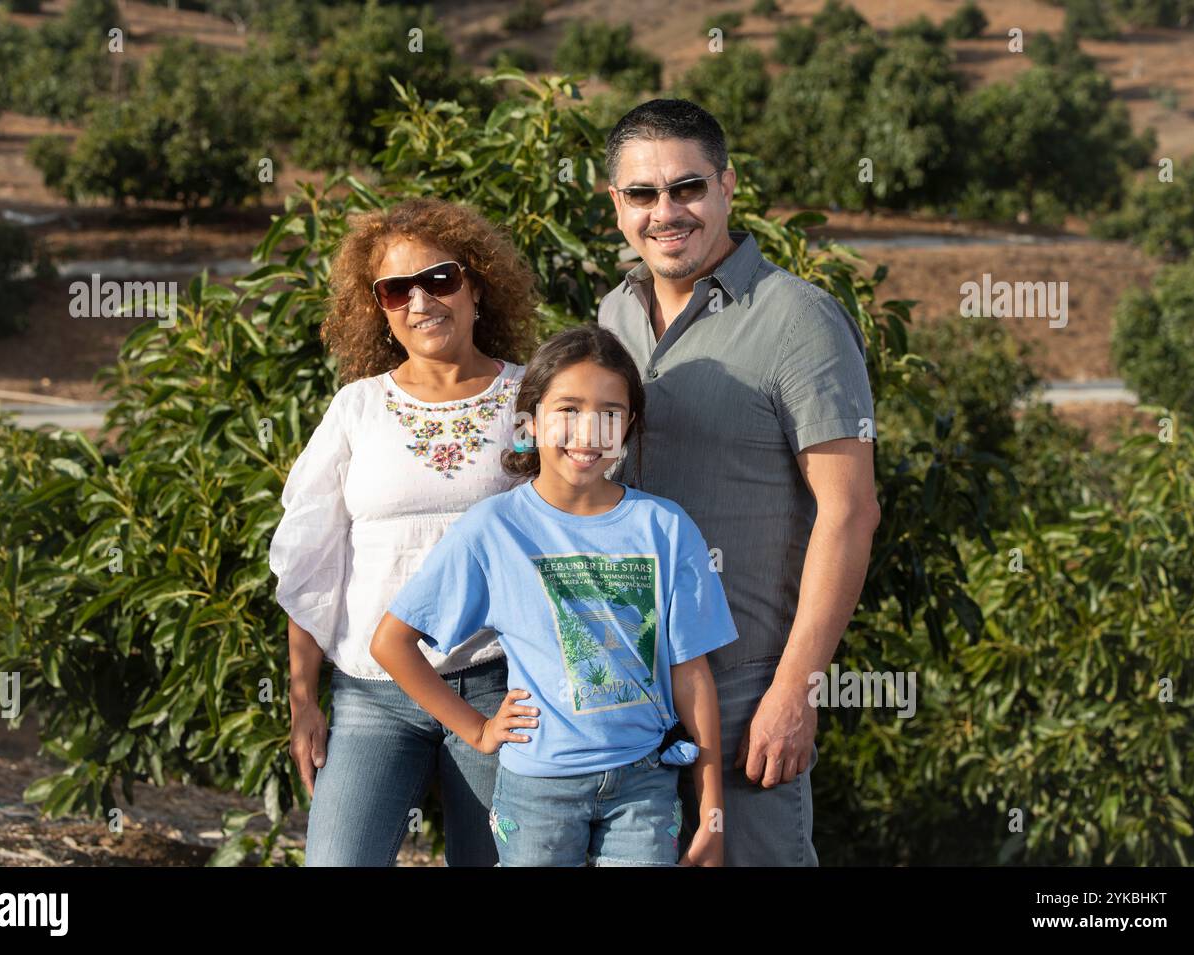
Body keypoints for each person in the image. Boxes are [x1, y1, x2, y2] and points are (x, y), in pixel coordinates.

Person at [598, 99, 881, 866]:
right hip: (622, 686)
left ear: (727, 187)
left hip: (746, 687)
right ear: (615, 204)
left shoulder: (799, 319)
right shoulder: (613, 314)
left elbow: (850, 513)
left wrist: (796, 691)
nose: (667, 212)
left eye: (687, 188)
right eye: (643, 195)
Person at [370, 324, 739, 866]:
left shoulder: (665, 527)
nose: (587, 432)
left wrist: (712, 809)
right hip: (537, 793)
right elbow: (391, 643)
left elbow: (692, 674)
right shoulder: (494, 529)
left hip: (645, 787)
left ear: (629, 425)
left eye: (609, 413)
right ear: (530, 420)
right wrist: (476, 729)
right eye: (567, 408)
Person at [269, 197, 538, 866]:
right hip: (372, 694)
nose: (421, 300)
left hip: (497, 682)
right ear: (380, 310)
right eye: (396, 289)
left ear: (477, 284)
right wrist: (304, 700)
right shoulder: (356, 409)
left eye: (440, 279)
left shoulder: (531, 399)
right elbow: (311, 563)